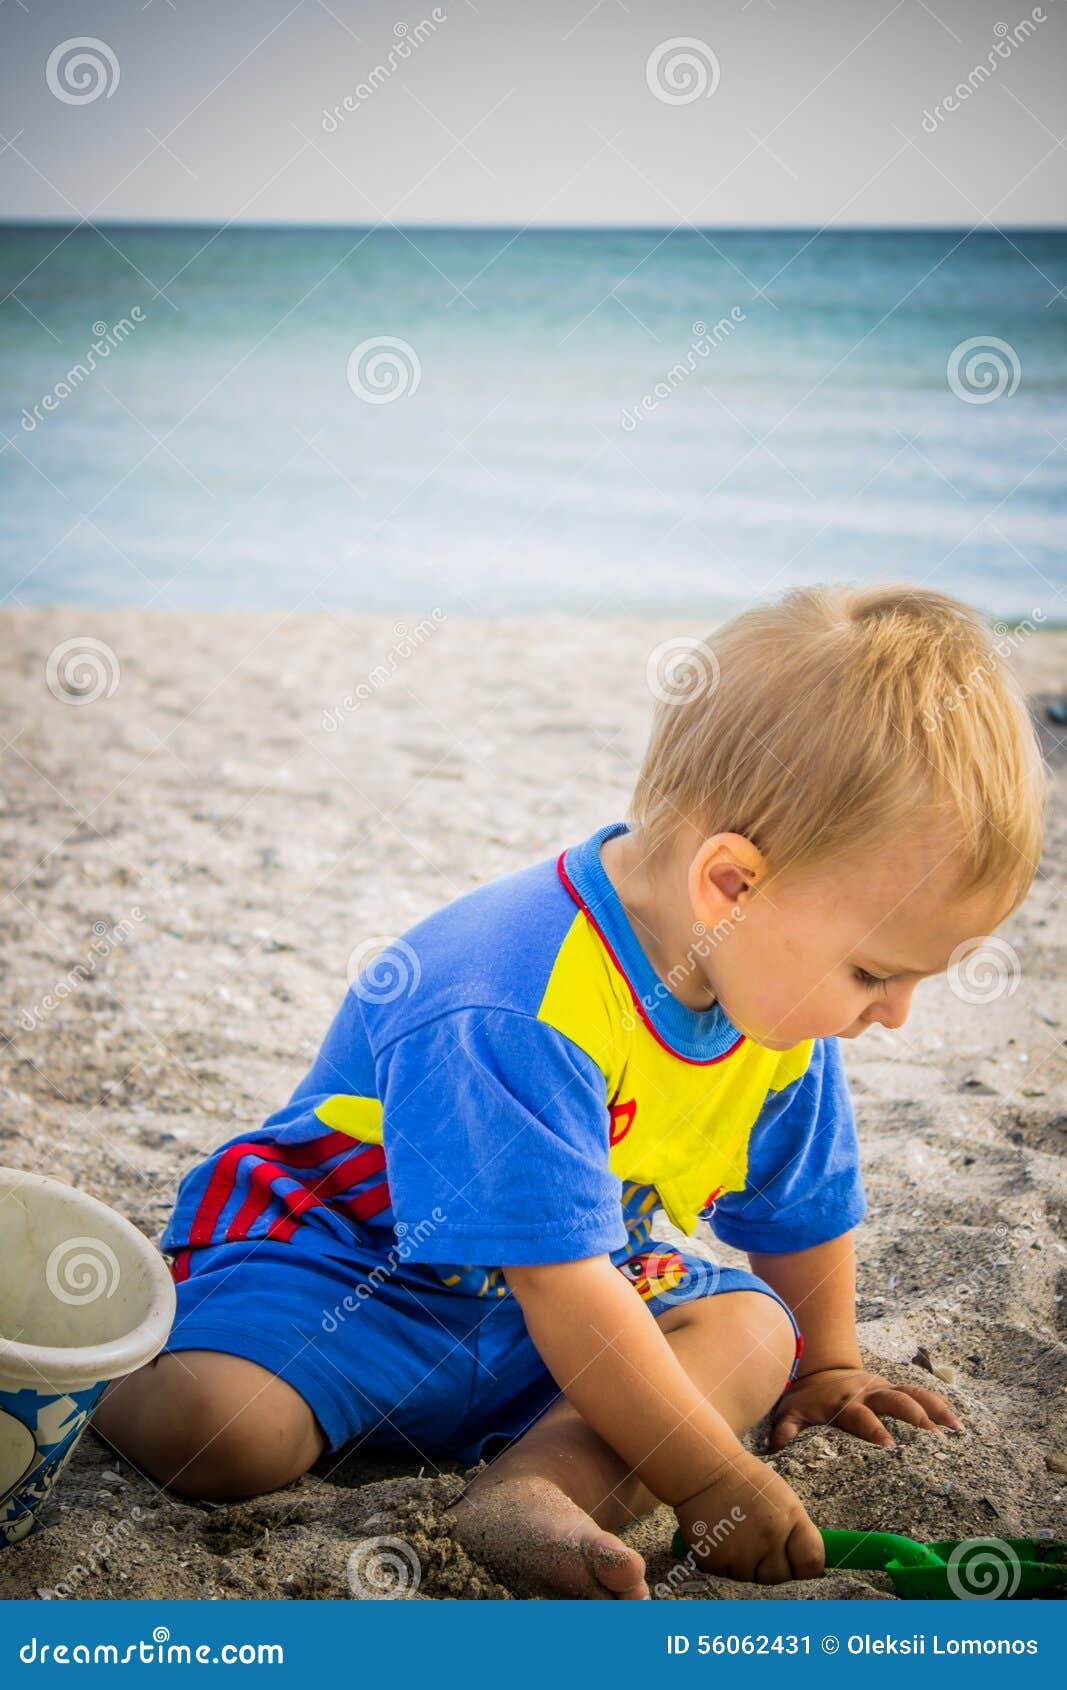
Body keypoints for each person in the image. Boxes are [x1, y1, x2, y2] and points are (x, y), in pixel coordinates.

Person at [94, 582, 1047, 1599]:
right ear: (731, 885)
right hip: (346, 1272)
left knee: (754, 1333)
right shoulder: (514, 995)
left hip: (569, 1300)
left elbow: (798, 1205)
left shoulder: (776, 1009)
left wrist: (829, 1366)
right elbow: (559, 1283)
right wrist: (710, 1478)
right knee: (220, 1435)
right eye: (871, 972)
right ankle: (91, 1373)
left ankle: (530, 1487)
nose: (891, 1013)